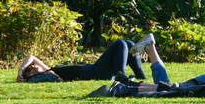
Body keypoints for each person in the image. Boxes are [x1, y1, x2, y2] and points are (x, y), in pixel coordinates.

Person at [17, 35, 150, 84]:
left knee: (129, 44)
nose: (32, 66)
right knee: (120, 43)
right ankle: (121, 76)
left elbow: (31, 57)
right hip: (92, 72)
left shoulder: (47, 70)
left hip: (93, 69)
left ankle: (141, 77)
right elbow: (56, 79)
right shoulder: (40, 78)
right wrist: (22, 77)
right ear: (30, 77)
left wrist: (21, 70)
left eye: (31, 66)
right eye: (29, 70)